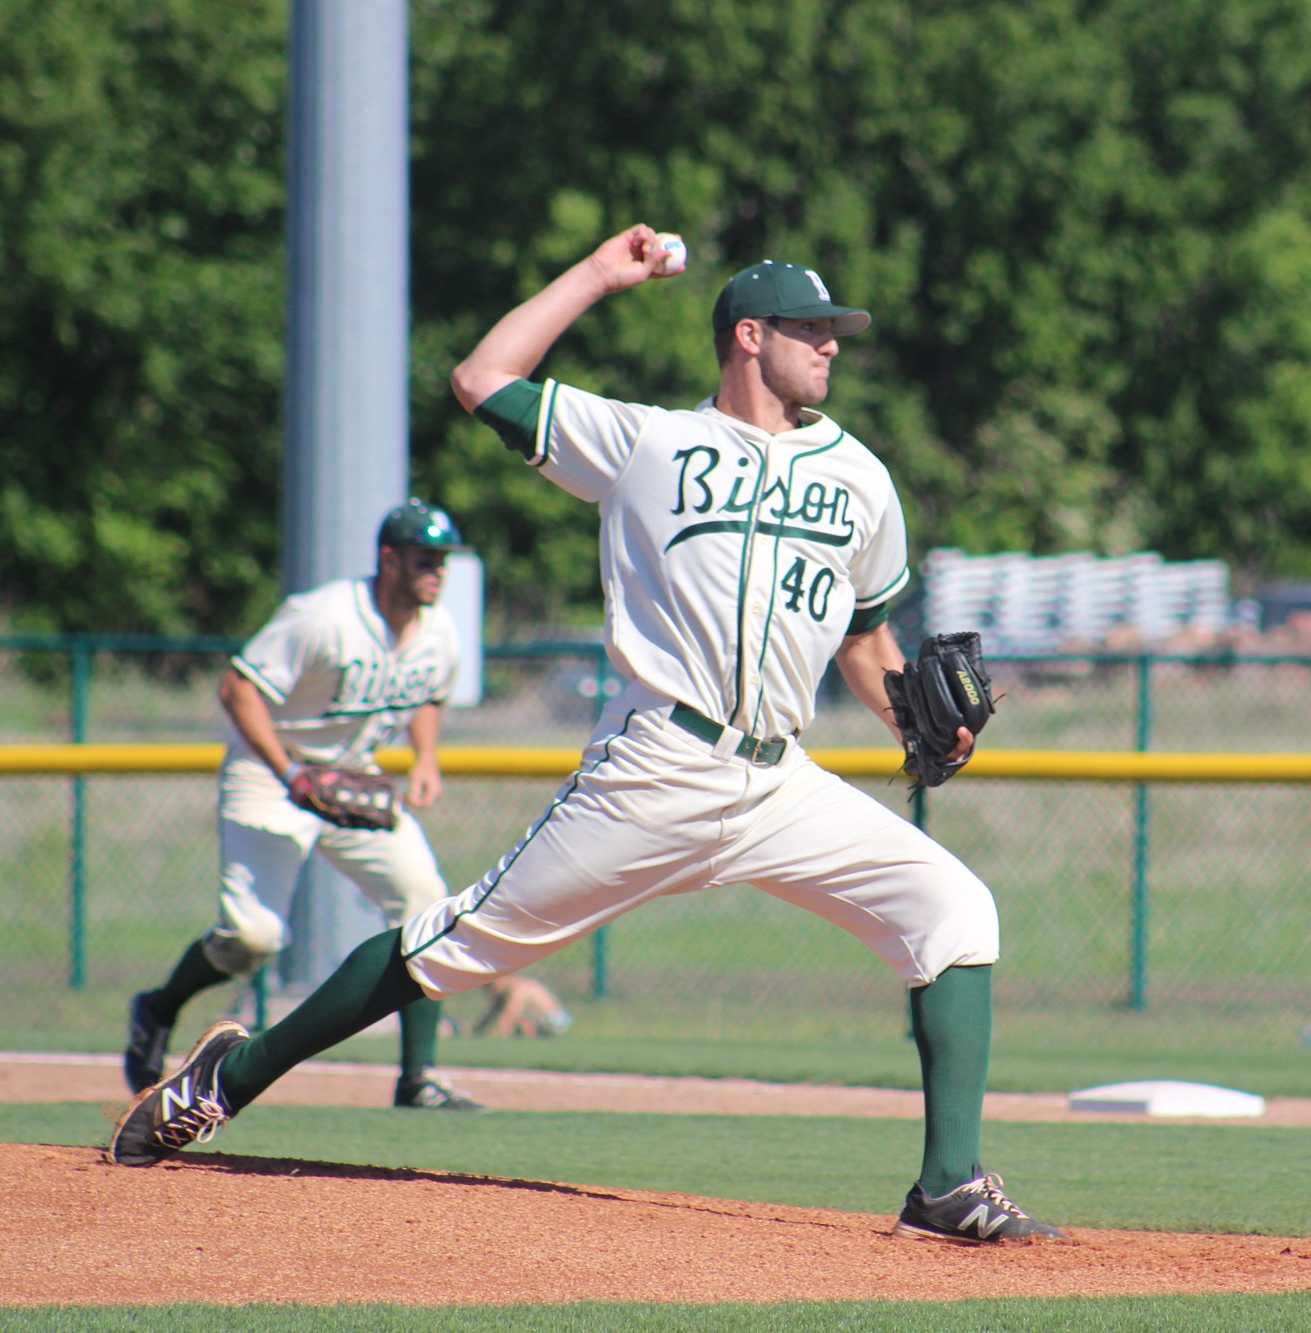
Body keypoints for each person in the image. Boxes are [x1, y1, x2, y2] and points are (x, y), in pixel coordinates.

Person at [106, 226, 1065, 1246]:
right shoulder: (646, 442)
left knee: (954, 909)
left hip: (782, 780)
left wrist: (918, 729)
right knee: (449, 948)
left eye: (835, 332)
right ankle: (228, 1075)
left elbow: (866, 637)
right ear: (748, 336)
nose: (830, 344)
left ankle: (946, 1187)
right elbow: (482, 377)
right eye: (809, 328)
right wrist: (603, 275)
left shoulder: (862, 479)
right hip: (657, 767)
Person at [120, 498, 483, 1112]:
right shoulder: (321, 617)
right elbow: (238, 688)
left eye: (444, 559)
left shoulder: (440, 629)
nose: (437, 571)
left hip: (353, 781)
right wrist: (289, 773)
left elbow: (430, 695)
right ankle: (158, 1007)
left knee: (429, 908)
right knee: (253, 938)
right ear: (388, 558)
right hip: (272, 773)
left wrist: (425, 758)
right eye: (425, 558)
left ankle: (418, 1079)